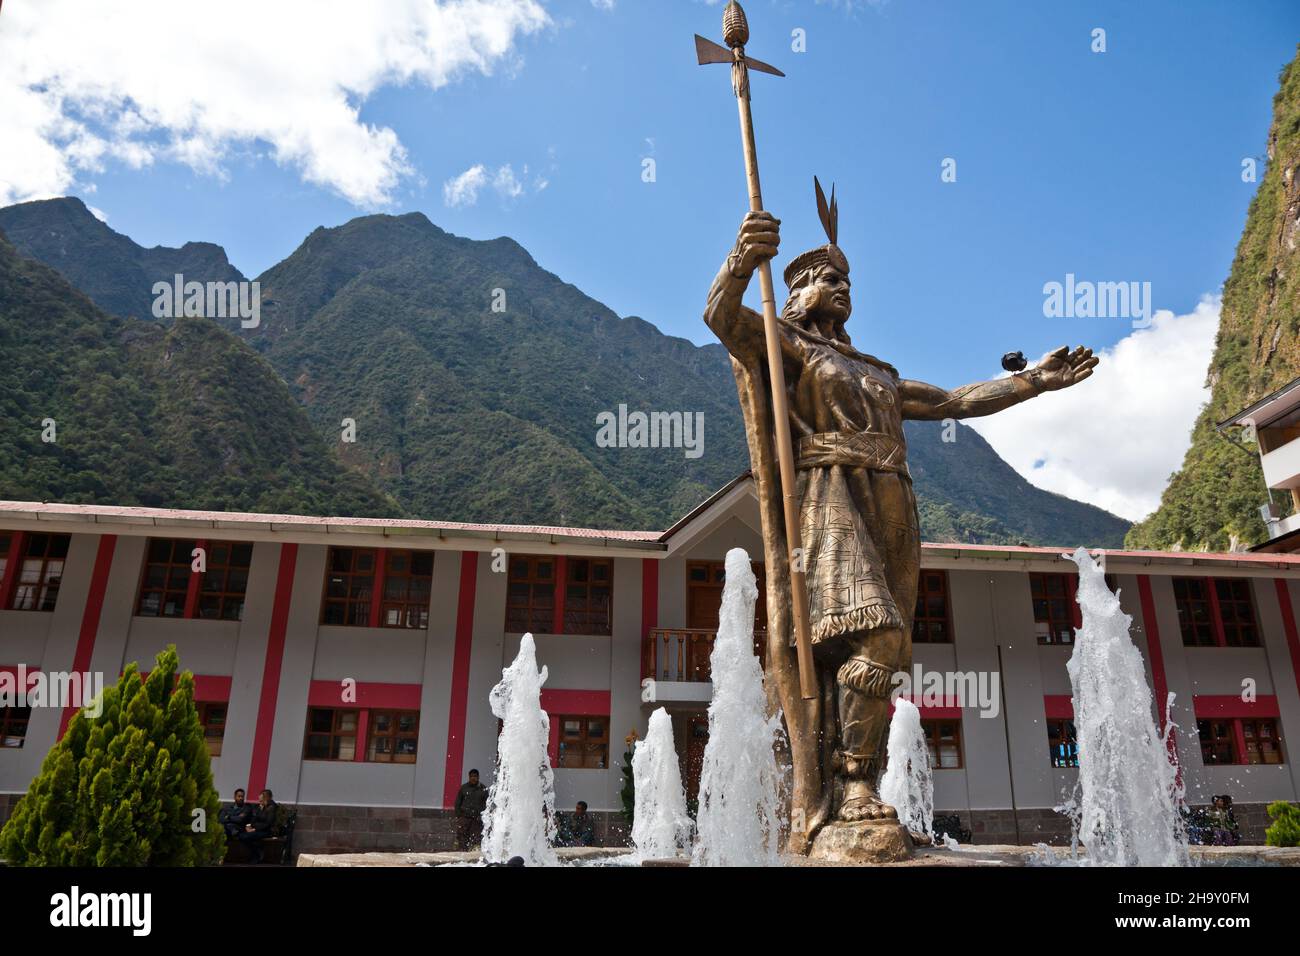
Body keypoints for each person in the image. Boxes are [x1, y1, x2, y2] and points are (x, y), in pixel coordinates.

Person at [704, 185, 1097, 847]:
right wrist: (741, 259)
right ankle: (852, 782)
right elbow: (721, 316)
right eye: (827, 278)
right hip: (829, 495)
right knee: (874, 631)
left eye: (847, 280)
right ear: (797, 292)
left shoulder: (875, 368)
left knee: (888, 646)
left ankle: (852, 781)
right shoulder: (791, 347)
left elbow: (953, 400)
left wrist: (1032, 381)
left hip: (893, 499)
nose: (842, 287)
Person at [239, 789, 279, 863]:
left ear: (266, 798)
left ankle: (256, 853)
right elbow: (254, 820)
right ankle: (257, 852)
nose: (259, 802)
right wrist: (249, 826)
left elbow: (268, 824)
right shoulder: (262, 806)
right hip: (259, 830)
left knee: (245, 836)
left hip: (268, 831)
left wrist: (254, 829)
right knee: (241, 835)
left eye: (261, 800)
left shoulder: (272, 807)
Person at [454, 769, 488, 851]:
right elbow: (458, 802)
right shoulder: (464, 788)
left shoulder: (483, 789)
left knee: (476, 837)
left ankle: (473, 855)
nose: (473, 778)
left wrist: (483, 816)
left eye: (475, 776)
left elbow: (487, 803)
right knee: (462, 836)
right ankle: (462, 852)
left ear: (478, 777)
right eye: (471, 776)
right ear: (469, 777)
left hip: (477, 819)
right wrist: (459, 816)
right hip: (465, 817)